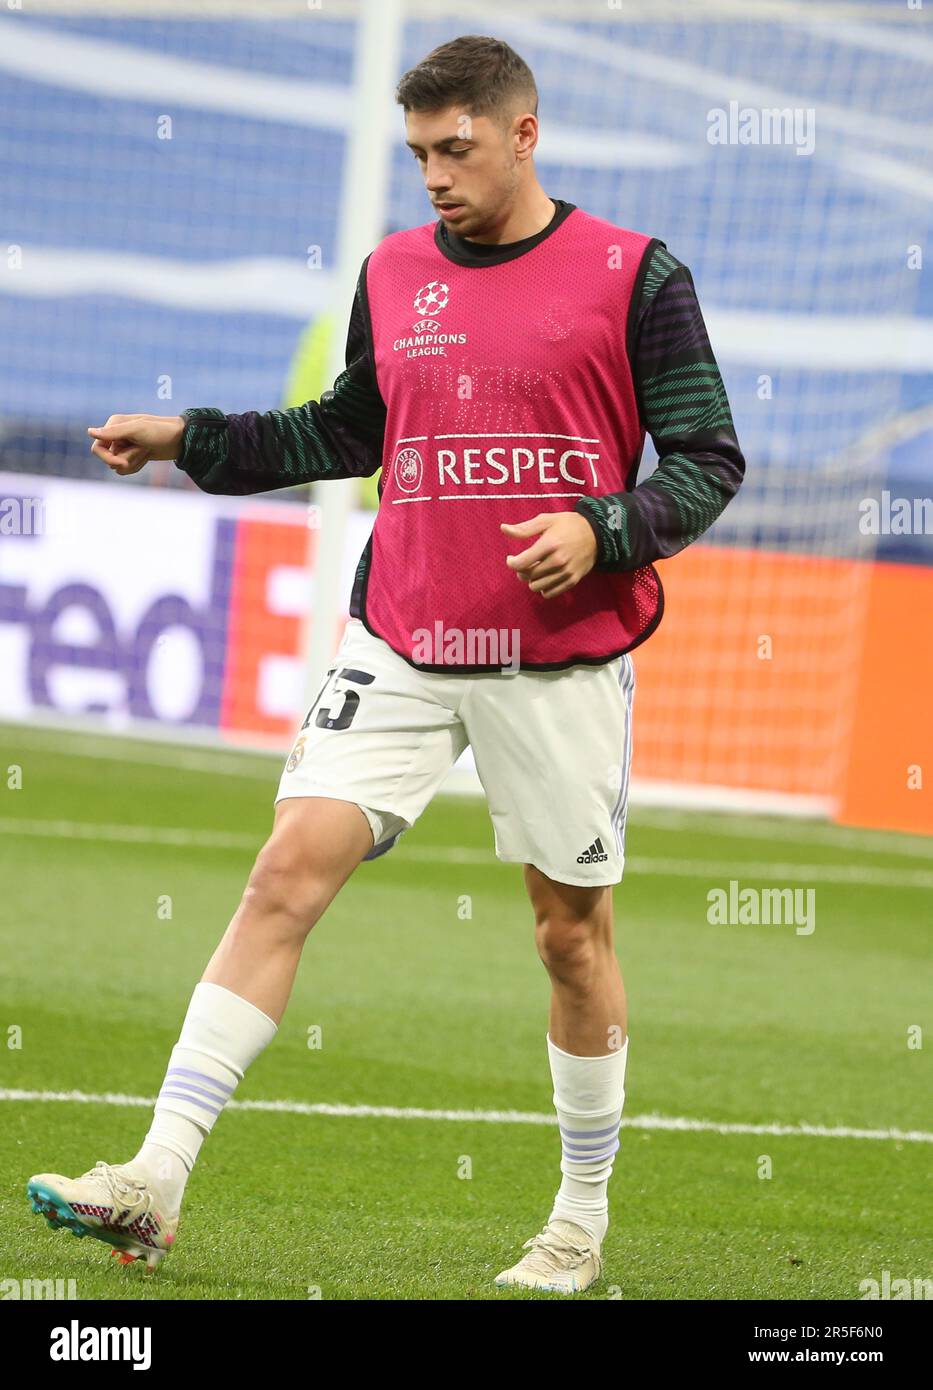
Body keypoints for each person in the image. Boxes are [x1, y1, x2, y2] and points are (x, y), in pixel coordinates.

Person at [28, 34, 745, 1295]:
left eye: (454, 149)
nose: (433, 176)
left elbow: (707, 458)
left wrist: (606, 527)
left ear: (524, 134)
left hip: (557, 662)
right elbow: (345, 428)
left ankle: (576, 1221)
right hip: (403, 633)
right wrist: (190, 434)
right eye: (419, 153)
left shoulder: (636, 275)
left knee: (568, 938)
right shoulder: (396, 270)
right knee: (282, 874)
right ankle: (154, 1177)